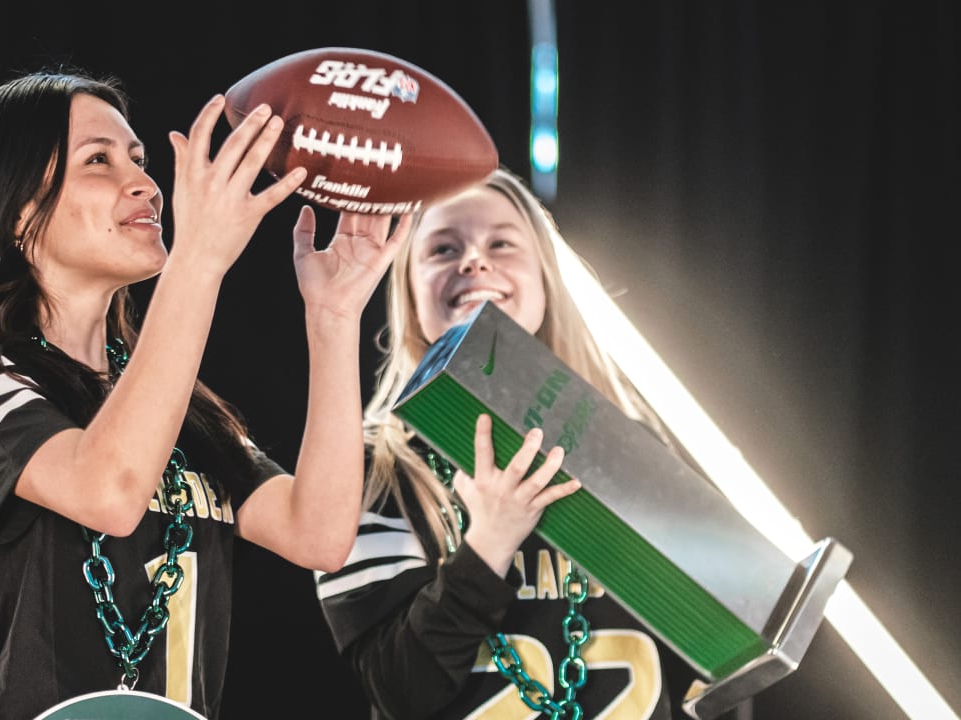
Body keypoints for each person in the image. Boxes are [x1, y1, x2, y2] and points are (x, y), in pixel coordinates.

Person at [0, 68, 408, 720]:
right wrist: (198, 258)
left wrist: (333, 320)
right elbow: (108, 491)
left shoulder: (170, 401)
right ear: (18, 211)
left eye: (139, 157)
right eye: (99, 161)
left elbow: (321, 535)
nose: (145, 182)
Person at [314, 166, 735, 719]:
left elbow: (715, 674)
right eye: (442, 248)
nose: (474, 261)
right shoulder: (371, 469)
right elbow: (399, 692)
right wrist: (489, 542)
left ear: (545, 277)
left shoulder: (636, 449)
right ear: (408, 292)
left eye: (501, 243)